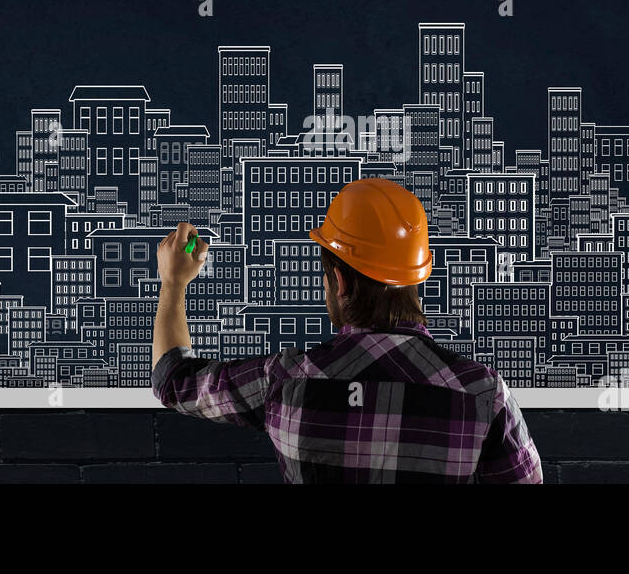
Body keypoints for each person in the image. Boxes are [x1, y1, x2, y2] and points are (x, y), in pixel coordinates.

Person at [150, 177, 543, 484]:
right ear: (418, 275)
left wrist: (173, 284)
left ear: (338, 281)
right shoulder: (481, 393)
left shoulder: (284, 380)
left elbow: (173, 381)